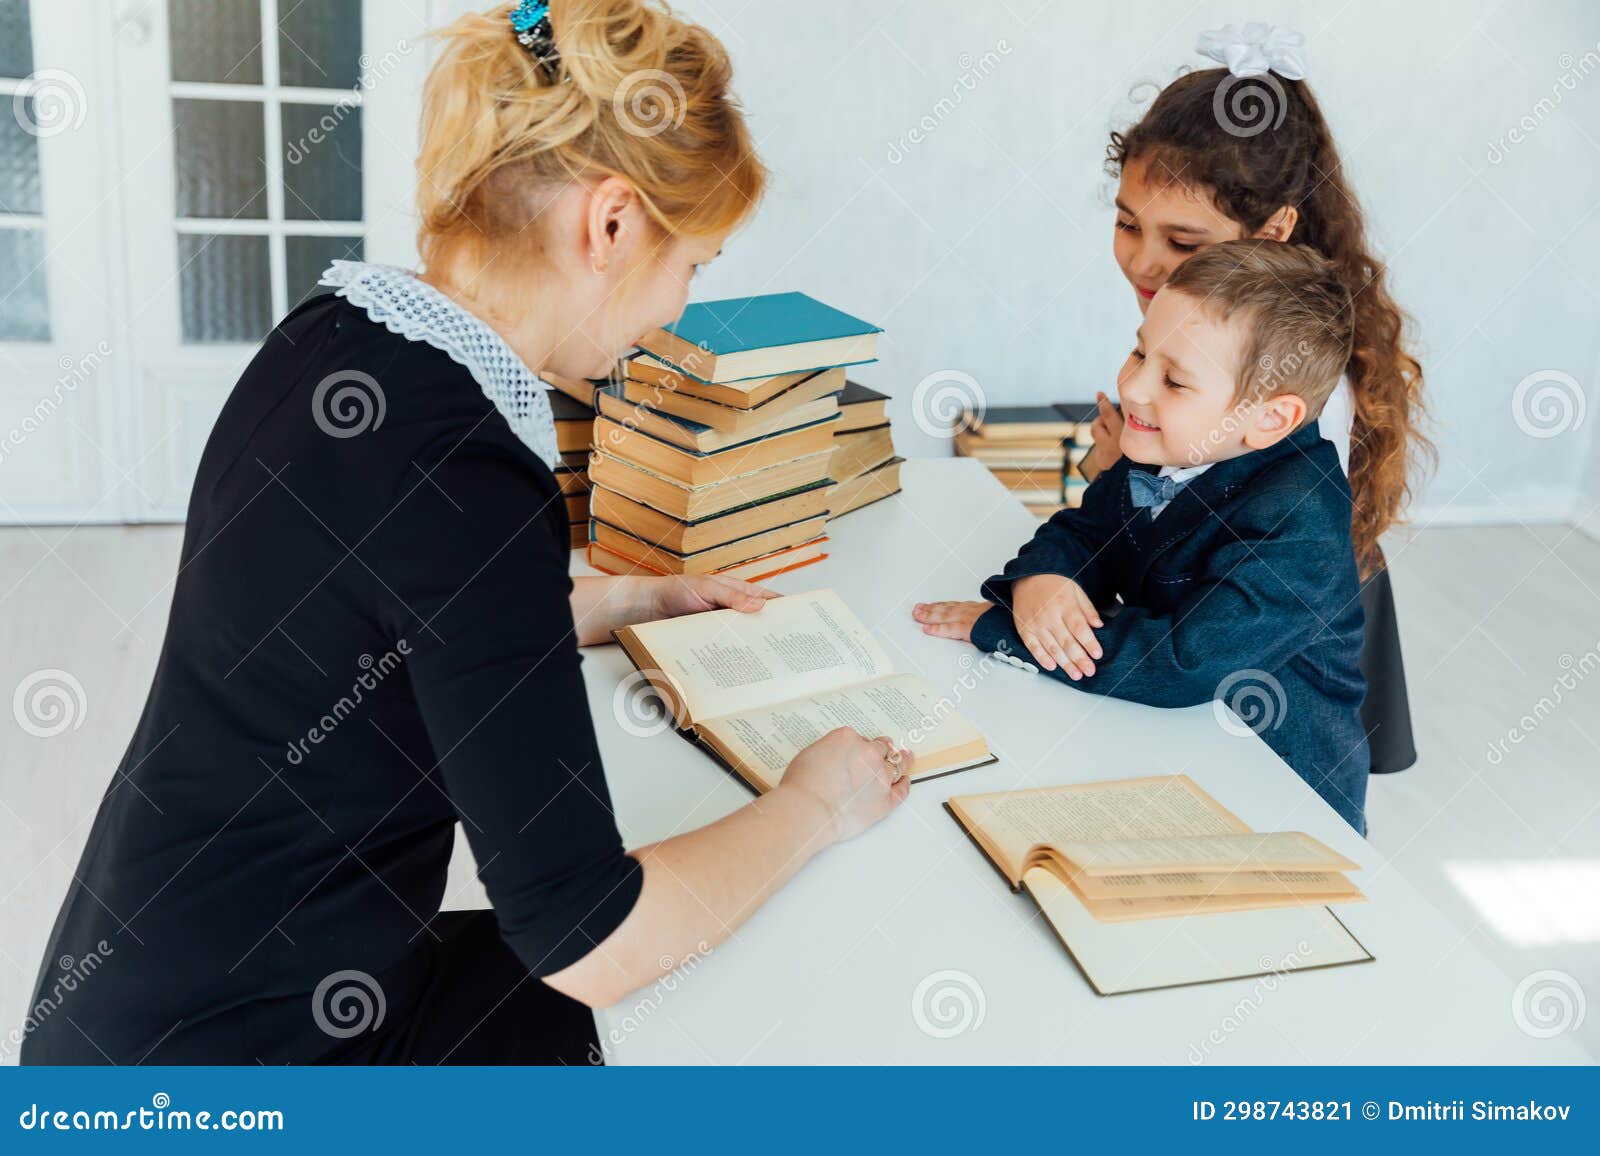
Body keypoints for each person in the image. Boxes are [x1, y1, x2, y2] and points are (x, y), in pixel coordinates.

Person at [22, 0, 908, 1067]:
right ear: (612, 223)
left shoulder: (332, 343)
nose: (674, 310)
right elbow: (589, 935)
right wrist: (814, 805)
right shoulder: (467, 479)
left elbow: (383, 613)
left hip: (147, 998)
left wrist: (617, 600)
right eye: (695, 265)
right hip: (243, 1065)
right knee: (721, 1007)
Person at [914, 241, 1371, 832]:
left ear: (1268, 420)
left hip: (1276, 789)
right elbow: (1085, 531)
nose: (1133, 387)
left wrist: (1006, 631)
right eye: (1139, 352)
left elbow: (1185, 661)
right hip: (1166, 736)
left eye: (1174, 380)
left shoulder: (1300, 522)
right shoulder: (1162, 443)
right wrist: (1044, 579)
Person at [1073, 25, 1430, 775]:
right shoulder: (1214, 307)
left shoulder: (1302, 390)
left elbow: (1220, 532)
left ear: (1271, 231)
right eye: (1127, 223)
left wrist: (1122, 472)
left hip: (1264, 623)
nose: (1143, 260)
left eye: (1182, 241)